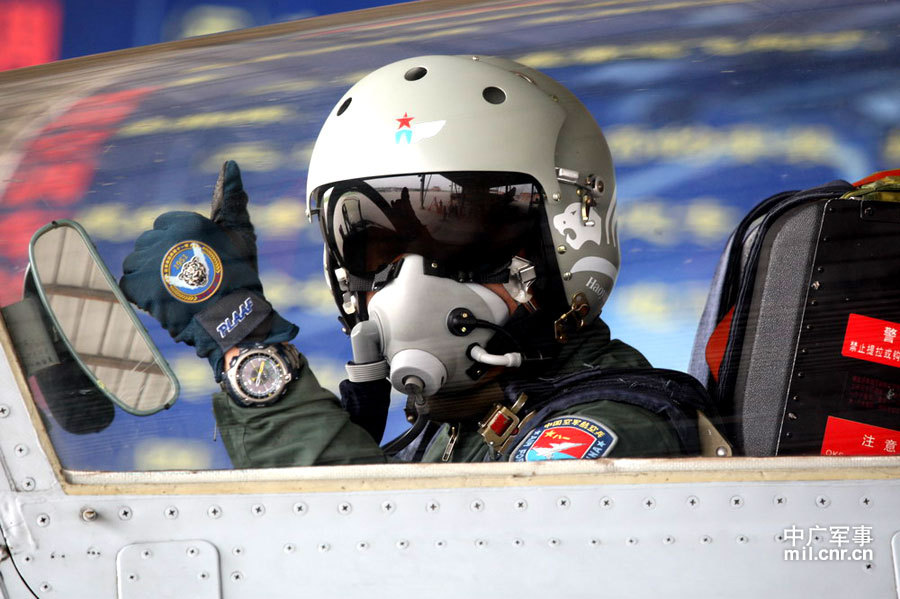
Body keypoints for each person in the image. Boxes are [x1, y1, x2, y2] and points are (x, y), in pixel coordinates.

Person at [120, 55, 714, 468]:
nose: (410, 281)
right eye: (373, 241)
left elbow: (391, 563)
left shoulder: (612, 429)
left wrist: (245, 346)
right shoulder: (453, 423)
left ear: (569, 236)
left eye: (461, 239)